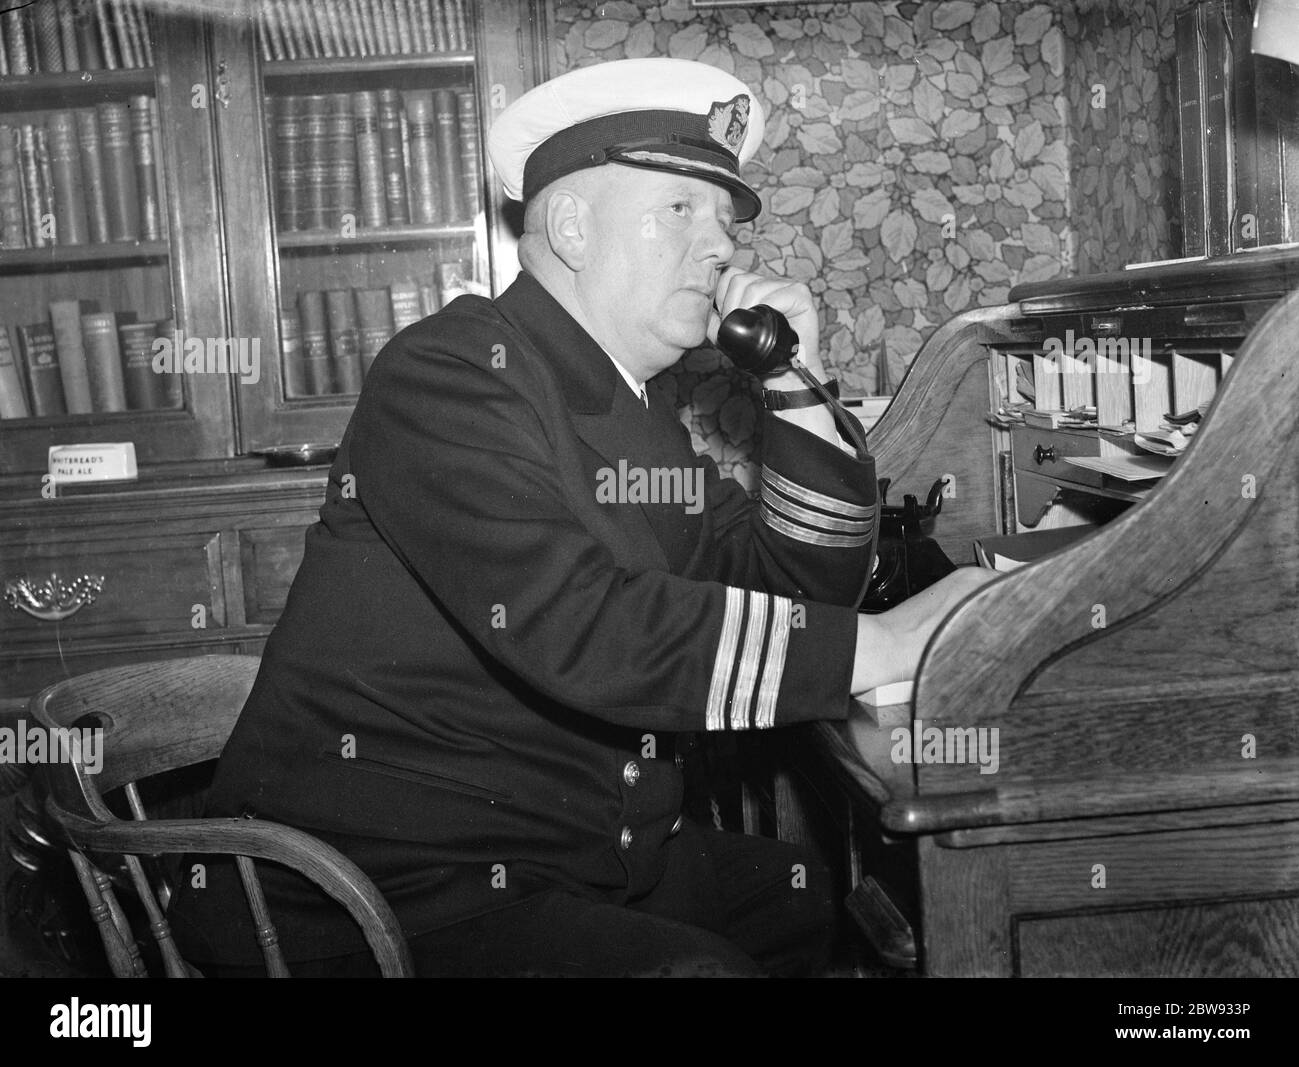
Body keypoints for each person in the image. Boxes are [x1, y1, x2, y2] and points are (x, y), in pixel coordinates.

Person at [169, 57, 992, 977]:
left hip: (567, 855)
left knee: (806, 900)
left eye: (725, 221)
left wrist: (793, 388)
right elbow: (582, 624)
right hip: (379, 889)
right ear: (570, 226)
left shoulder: (629, 409)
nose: (721, 247)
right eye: (680, 210)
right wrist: (877, 649)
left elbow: (793, 586)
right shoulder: (446, 375)